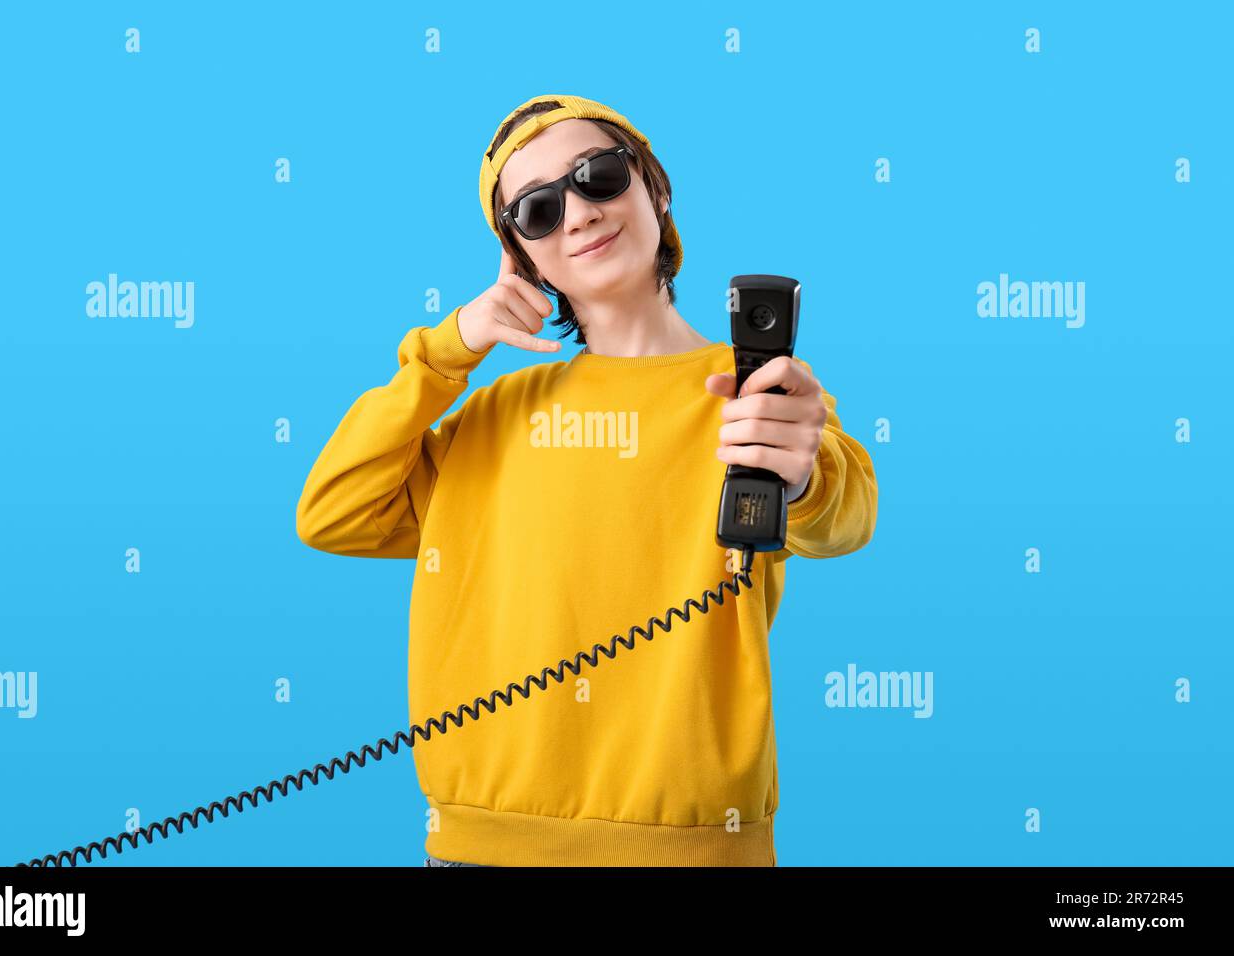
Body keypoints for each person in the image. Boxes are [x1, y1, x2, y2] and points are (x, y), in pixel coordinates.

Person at [295, 94, 878, 867]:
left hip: (697, 850)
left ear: (655, 190)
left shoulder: (759, 396)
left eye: (597, 175)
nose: (577, 212)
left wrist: (802, 476)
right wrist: (447, 350)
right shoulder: (492, 416)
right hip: (482, 850)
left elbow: (845, 516)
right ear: (522, 257)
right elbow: (333, 512)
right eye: (536, 209)